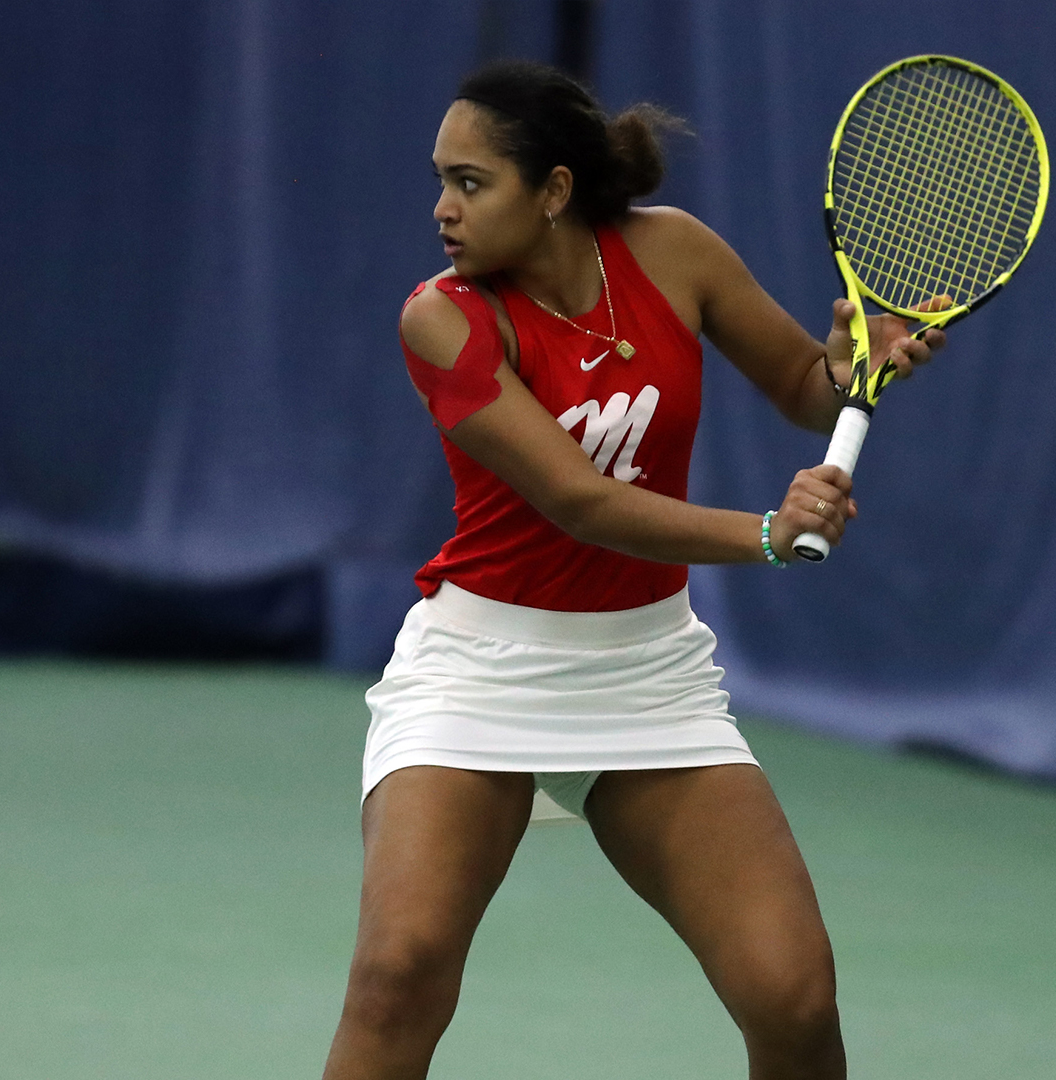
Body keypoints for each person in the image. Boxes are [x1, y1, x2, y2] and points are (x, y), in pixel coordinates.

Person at [322, 60, 946, 1080]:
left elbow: (799, 381)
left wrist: (851, 367)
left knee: (793, 995)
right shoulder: (441, 317)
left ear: (555, 190)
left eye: (470, 182)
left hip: (646, 674)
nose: (442, 209)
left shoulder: (676, 253)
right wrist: (764, 534)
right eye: (440, 180)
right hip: (479, 668)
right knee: (400, 972)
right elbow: (581, 500)